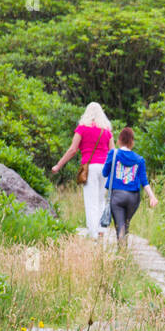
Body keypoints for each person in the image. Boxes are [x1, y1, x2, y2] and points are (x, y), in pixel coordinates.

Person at [51, 102, 112, 239]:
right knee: (101, 199)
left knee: (91, 202)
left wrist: (58, 165)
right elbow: (112, 152)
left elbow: (73, 150)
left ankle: (93, 235)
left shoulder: (82, 129)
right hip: (105, 169)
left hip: (90, 168)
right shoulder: (107, 130)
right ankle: (102, 230)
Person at [101, 126, 157, 246]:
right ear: (132, 142)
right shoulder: (139, 159)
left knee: (120, 225)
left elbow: (104, 173)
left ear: (119, 140)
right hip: (133, 198)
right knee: (126, 224)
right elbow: (144, 181)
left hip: (117, 196)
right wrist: (152, 197)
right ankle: (124, 251)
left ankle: (121, 254)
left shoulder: (113, 153)